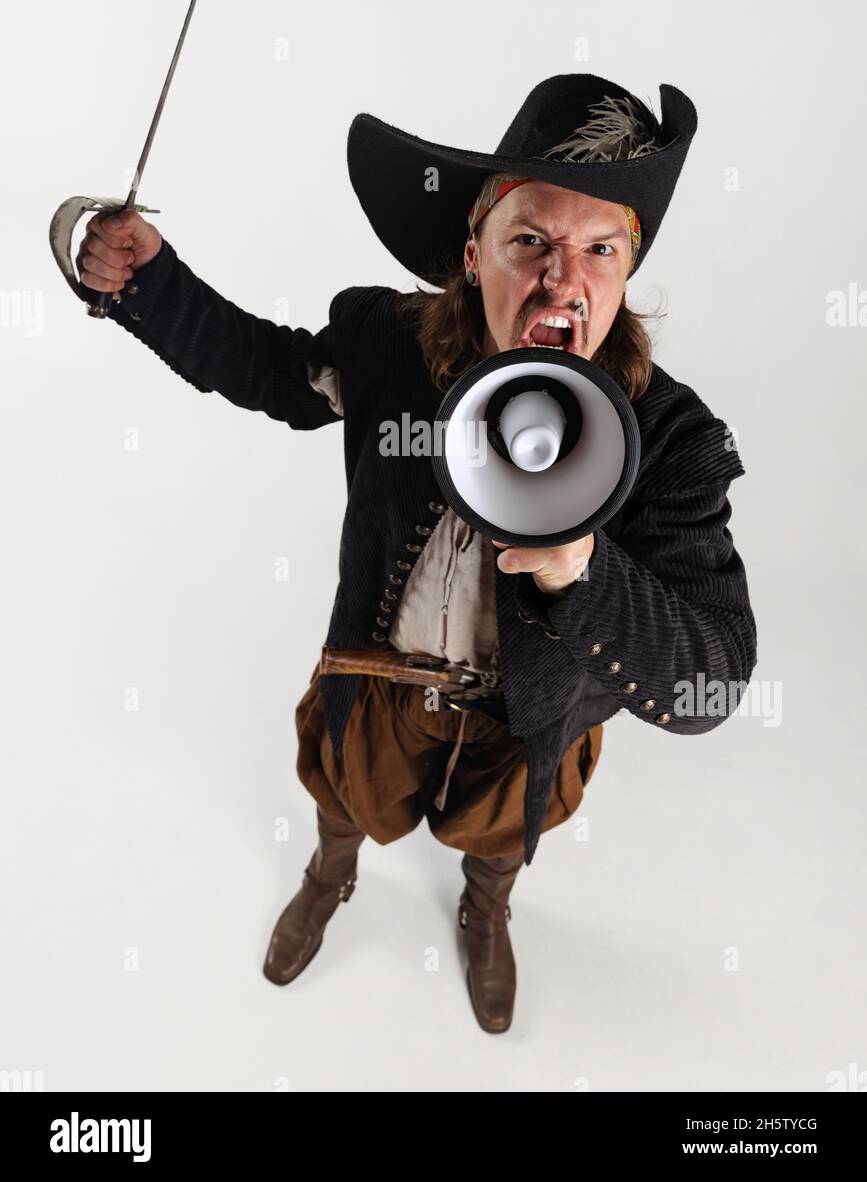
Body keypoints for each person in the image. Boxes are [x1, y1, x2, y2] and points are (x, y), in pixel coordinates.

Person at [74, 73, 757, 1034]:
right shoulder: (389, 345)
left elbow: (712, 680)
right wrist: (146, 278)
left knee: (497, 835)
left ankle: (486, 908)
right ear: (474, 251)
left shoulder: (672, 441)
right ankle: (329, 874)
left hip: (528, 717)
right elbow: (267, 370)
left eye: (598, 249)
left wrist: (585, 572)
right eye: (532, 240)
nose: (565, 278)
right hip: (381, 680)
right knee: (344, 789)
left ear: (625, 272)